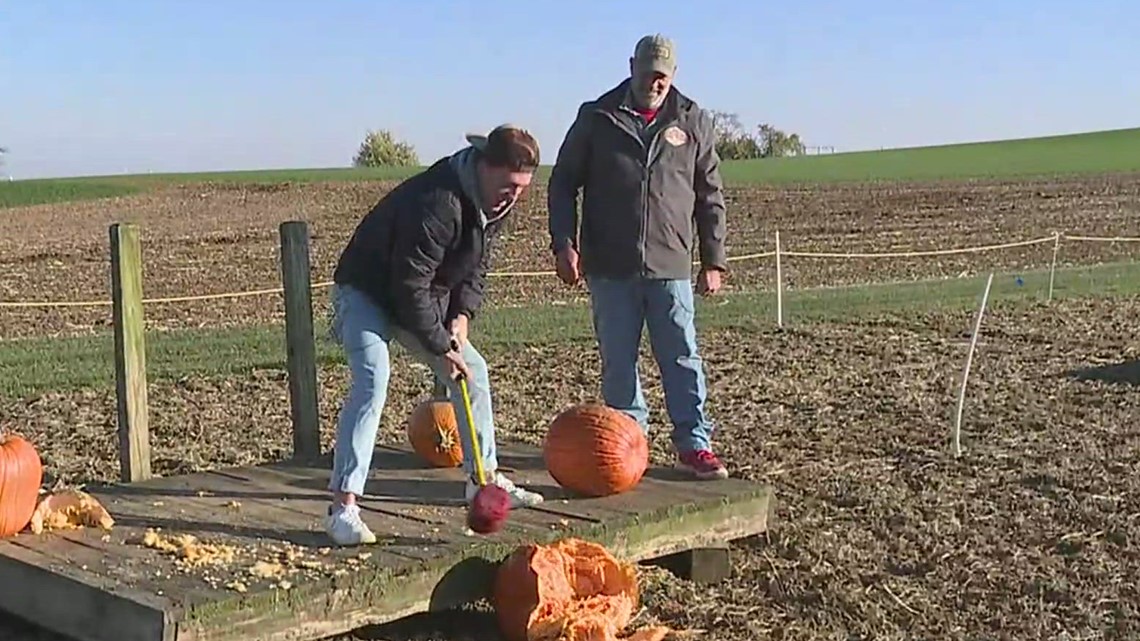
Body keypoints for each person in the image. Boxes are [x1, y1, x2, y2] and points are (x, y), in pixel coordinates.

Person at [325, 124, 545, 546]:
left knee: (472, 371)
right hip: (367, 291)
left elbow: (475, 267)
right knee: (373, 379)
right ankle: (343, 508)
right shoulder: (438, 202)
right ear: (484, 167)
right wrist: (440, 346)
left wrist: (462, 317)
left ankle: (483, 482)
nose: (513, 196)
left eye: (522, 188)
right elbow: (408, 285)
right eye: (507, 185)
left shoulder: (495, 204)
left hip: (419, 296)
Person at [547, 34, 731, 481]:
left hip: (670, 264)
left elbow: (710, 195)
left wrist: (714, 260)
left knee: (681, 356)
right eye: (648, 72)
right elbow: (562, 183)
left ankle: (695, 445)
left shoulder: (693, 121)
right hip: (610, 266)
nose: (655, 82)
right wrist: (564, 243)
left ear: (674, 75)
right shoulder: (596, 117)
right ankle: (628, 447)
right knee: (619, 360)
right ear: (631, 66)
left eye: (663, 76)